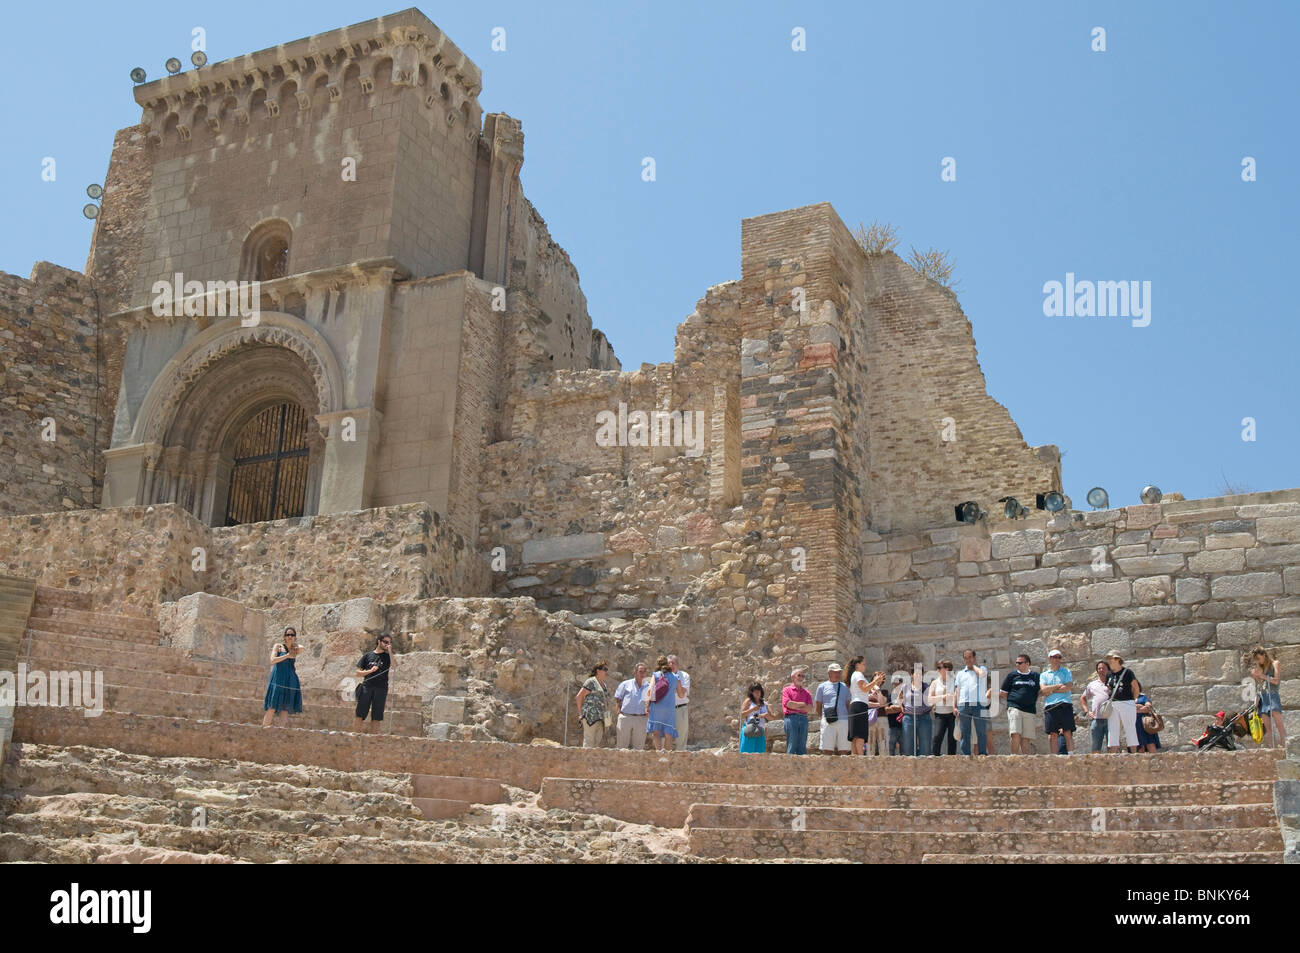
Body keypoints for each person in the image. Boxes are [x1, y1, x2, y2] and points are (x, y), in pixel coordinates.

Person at [996, 654, 1040, 754]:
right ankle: (1014, 757)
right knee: (1015, 733)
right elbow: (1003, 692)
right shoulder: (1012, 676)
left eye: (1019, 663)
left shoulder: (1035, 676)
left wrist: (1031, 699)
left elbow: (1040, 691)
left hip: (1030, 709)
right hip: (1015, 707)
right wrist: (1014, 700)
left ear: (1027, 664)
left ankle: (1024, 759)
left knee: (1026, 737)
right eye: (1016, 662)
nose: (1017, 664)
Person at [262, 626, 303, 727]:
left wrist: (294, 646)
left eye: (292, 635)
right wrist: (287, 655)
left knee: (285, 707)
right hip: (278, 678)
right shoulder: (278, 646)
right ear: (284, 636)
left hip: (290, 679)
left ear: (295, 637)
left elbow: (303, 648)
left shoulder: (295, 648)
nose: (290, 637)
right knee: (272, 704)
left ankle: (281, 731)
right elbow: (272, 660)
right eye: (288, 634)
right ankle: (264, 729)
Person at [646, 655, 687, 752]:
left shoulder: (656, 675)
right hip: (669, 709)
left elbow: (650, 690)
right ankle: (667, 755)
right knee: (668, 733)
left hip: (657, 707)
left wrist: (647, 705)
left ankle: (659, 752)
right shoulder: (675, 677)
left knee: (656, 732)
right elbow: (681, 695)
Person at [353, 634, 393, 733]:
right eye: (386, 642)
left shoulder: (388, 657)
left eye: (389, 642)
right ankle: (355, 736)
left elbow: (395, 666)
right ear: (379, 641)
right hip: (367, 686)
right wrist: (370, 671)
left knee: (377, 716)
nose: (387, 644)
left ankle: (373, 740)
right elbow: (358, 673)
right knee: (360, 713)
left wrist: (390, 651)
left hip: (381, 688)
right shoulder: (368, 655)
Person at [1039, 649, 1075, 754]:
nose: (1057, 659)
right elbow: (1043, 690)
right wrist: (1057, 686)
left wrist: (1051, 690)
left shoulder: (1066, 671)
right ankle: (1054, 758)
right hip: (1050, 706)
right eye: (1055, 657)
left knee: (1067, 732)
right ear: (1050, 658)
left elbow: (1068, 687)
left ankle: (1071, 756)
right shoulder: (1044, 675)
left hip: (1064, 704)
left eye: (1059, 657)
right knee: (1052, 734)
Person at [1249, 646, 1286, 749]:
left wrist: (1262, 676)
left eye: (1259, 658)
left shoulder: (1275, 664)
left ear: (1264, 655)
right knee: (1268, 728)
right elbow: (1261, 684)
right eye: (1256, 660)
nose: (1258, 661)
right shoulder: (1261, 667)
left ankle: (1285, 748)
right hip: (1263, 696)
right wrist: (1256, 677)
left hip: (1272, 695)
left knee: (1279, 725)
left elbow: (1275, 681)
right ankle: (1272, 749)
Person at [1104, 652, 1141, 753]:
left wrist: (1133, 701)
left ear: (1117, 659)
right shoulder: (1109, 675)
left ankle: (1134, 753)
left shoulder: (1128, 672)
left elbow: (1135, 687)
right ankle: (1113, 753)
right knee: (1113, 729)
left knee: (1130, 728)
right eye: (1109, 659)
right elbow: (1108, 689)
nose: (1109, 661)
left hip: (1127, 703)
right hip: (1113, 704)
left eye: (1111, 658)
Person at [954, 649, 989, 756]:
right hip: (963, 704)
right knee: (965, 732)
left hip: (979, 704)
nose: (968, 660)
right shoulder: (960, 674)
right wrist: (954, 706)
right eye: (966, 658)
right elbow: (957, 691)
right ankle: (966, 755)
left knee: (981, 731)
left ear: (974, 657)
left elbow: (981, 674)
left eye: (970, 657)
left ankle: (982, 754)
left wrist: (973, 666)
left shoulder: (982, 669)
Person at [613, 663, 654, 749]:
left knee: (639, 747)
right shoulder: (626, 684)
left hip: (641, 719)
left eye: (644, 672)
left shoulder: (648, 686)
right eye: (640, 672)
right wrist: (618, 711)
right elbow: (618, 697)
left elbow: (651, 700)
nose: (642, 674)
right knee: (621, 746)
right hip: (626, 717)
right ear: (635, 673)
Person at [814, 662, 851, 755]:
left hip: (843, 720)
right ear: (829, 673)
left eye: (839, 672)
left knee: (844, 748)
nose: (837, 674)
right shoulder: (822, 687)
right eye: (835, 672)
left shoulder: (845, 687)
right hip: (828, 720)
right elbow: (818, 705)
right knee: (827, 748)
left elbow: (848, 704)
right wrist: (823, 718)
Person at [575, 661, 611, 748]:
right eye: (605, 669)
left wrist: (608, 721)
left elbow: (606, 702)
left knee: (597, 742)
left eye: (607, 670)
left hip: (601, 718)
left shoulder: (604, 685)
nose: (607, 672)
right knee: (589, 741)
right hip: (590, 717)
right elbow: (579, 697)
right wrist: (580, 714)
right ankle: (585, 760)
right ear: (598, 671)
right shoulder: (591, 682)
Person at [899, 668, 933, 756]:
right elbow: (900, 697)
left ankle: (924, 768)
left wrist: (930, 707)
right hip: (908, 718)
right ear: (911, 674)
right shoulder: (905, 686)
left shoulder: (926, 687)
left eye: (920, 674)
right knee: (908, 746)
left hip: (924, 718)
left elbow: (932, 699)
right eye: (916, 673)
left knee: (925, 747)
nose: (918, 676)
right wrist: (901, 706)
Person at [781, 667, 814, 755]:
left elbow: (810, 708)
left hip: (803, 719)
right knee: (791, 745)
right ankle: (789, 767)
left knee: (802, 746)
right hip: (791, 718)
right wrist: (802, 704)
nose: (801, 678)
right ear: (793, 677)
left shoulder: (806, 693)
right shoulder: (786, 690)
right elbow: (788, 704)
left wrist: (795, 705)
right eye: (799, 675)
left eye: (803, 676)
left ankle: (801, 767)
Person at [1080, 661, 1110, 753]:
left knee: (1112, 747)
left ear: (1108, 670)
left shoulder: (1113, 683)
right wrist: (1087, 711)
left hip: (1111, 719)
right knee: (1095, 747)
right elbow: (1083, 698)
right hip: (1096, 719)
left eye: (1104, 668)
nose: (1101, 670)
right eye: (1099, 668)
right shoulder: (1092, 685)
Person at [928, 659, 957, 755]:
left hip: (952, 714)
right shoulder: (935, 683)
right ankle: (935, 758)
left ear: (947, 669)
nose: (938, 670)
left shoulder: (955, 681)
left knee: (952, 739)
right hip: (940, 714)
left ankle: (952, 760)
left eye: (940, 668)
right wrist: (942, 697)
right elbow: (930, 699)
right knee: (937, 736)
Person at [845, 657, 873, 756]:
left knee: (855, 736)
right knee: (860, 735)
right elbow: (864, 688)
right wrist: (876, 681)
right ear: (857, 665)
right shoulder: (858, 674)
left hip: (856, 706)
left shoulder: (854, 675)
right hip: (859, 706)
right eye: (864, 664)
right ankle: (861, 758)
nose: (865, 666)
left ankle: (855, 758)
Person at [740, 682, 776, 753]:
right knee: (747, 753)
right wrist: (753, 709)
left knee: (759, 753)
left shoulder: (765, 704)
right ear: (752, 692)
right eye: (755, 691)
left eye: (758, 690)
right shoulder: (748, 701)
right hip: (750, 730)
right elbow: (742, 715)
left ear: (761, 691)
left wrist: (765, 715)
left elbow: (772, 718)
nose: (757, 692)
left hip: (760, 731)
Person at [668, 655, 692, 747]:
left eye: (673, 663)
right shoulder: (662, 676)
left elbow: (682, 694)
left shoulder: (684, 675)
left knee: (681, 736)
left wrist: (676, 681)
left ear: (677, 664)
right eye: (669, 663)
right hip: (666, 709)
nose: (671, 665)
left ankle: (681, 756)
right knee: (663, 736)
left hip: (680, 708)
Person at [865, 673, 889, 756]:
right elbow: (865, 703)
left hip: (881, 718)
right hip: (870, 719)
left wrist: (878, 691)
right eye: (877, 676)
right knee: (870, 743)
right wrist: (878, 705)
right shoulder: (866, 691)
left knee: (883, 743)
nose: (879, 679)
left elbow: (883, 702)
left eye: (881, 677)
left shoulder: (884, 692)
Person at [885, 675, 905, 755]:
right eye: (894, 683)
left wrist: (893, 708)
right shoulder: (890, 696)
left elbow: (907, 709)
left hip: (904, 727)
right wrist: (901, 708)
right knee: (890, 751)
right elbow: (886, 710)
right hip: (892, 727)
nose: (896, 685)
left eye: (898, 683)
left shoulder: (905, 696)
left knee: (904, 752)